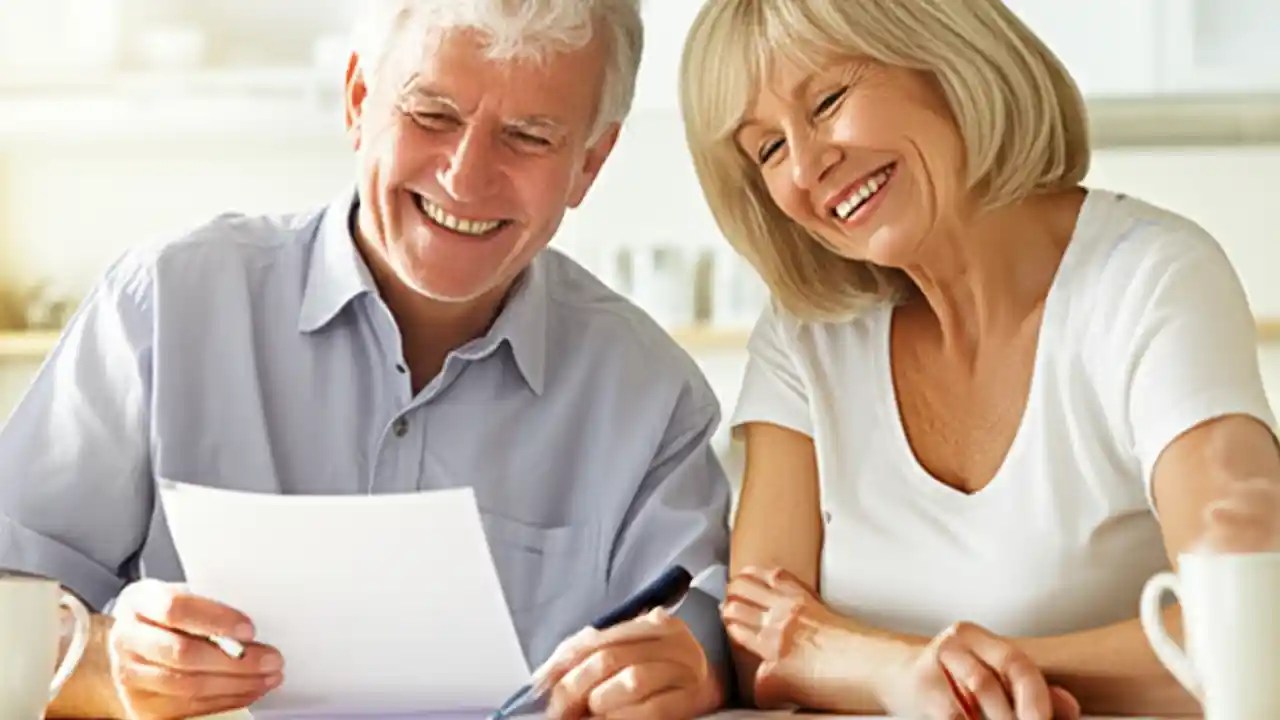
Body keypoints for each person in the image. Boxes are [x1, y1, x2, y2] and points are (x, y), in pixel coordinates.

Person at [0, 2, 733, 718]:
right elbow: (9, 617)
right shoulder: (162, 306)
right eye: (432, 115)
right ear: (358, 99)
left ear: (590, 165)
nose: (465, 177)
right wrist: (106, 663)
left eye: (530, 136)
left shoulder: (653, 397)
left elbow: (703, 647)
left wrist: (689, 677)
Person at [678, 0, 1280, 718]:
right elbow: (758, 648)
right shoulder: (807, 335)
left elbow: (1256, 626)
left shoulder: (1150, 279)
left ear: (944, 58)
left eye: (829, 102)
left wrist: (898, 667)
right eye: (769, 149)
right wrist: (899, 671)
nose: (808, 167)